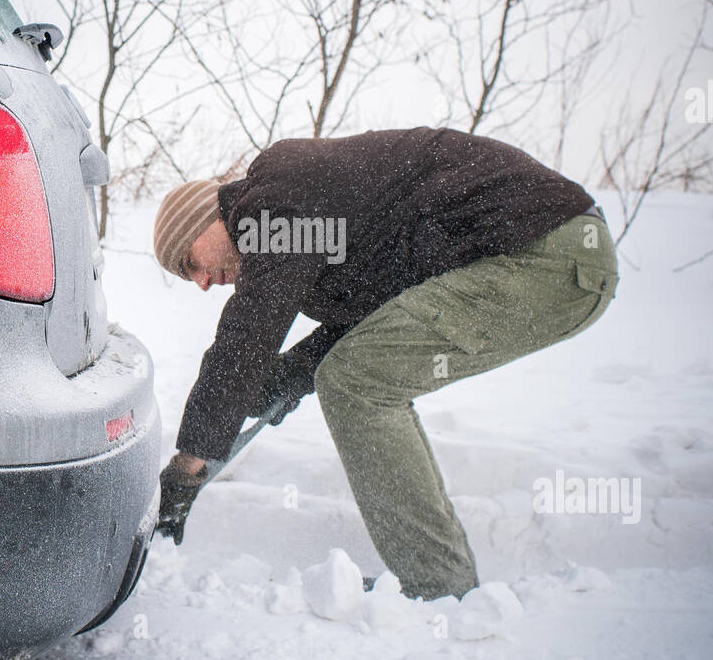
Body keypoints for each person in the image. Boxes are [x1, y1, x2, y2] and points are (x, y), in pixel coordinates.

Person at [152, 126, 618, 601]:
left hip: (545, 252)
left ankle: (437, 586)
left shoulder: (275, 192)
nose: (202, 283)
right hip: (561, 254)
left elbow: (249, 330)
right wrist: (288, 377)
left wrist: (188, 465)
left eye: (189, 263)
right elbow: (365, 323)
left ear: (206, 221)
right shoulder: (302, 220)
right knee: (356, 372)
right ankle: (438, 580)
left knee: (356, 382)